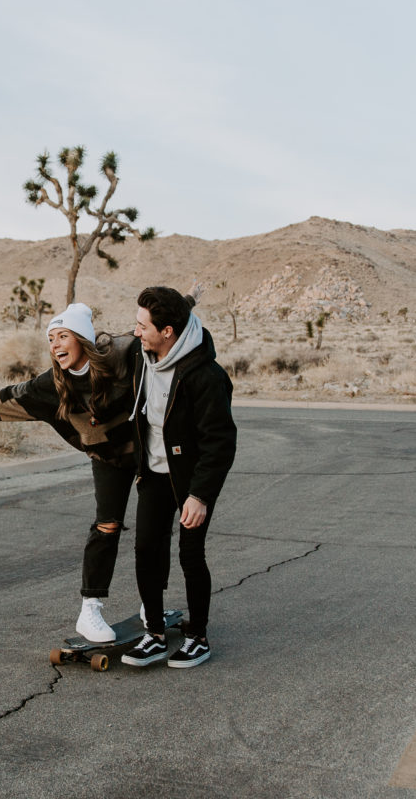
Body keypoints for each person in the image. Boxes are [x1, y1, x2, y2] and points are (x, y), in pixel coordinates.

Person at [0, 302, 141, 642]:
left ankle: (152, 601)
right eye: (51, 338)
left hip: (147, 451)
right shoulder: (51, 385)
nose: (55, 345)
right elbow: (6, 398)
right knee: (107, 526)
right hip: (107, 458)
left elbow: (160, 328)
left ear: (82, 339)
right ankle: (90, 610)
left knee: (155, 527)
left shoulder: (123, 356)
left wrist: (186, 304)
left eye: (63, 336)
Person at [121, 286, 236, 669]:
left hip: (191, 480)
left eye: (143, 326)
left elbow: (220, 442)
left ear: (167, 331)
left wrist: (200, 495)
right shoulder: (143, 357)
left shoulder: (205, 376)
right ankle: (154, 634)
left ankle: (197, 636)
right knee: (146, 551)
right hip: (154, 474)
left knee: (191, 555)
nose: (136, 331)